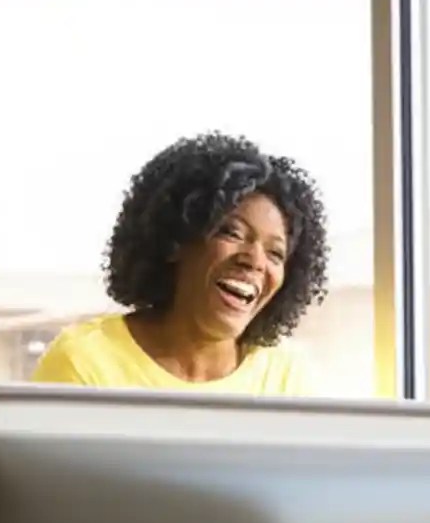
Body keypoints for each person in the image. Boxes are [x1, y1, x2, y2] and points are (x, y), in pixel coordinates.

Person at [32, 132, 329, 395]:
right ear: (177, 238)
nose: (255, 261)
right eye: (231, 232)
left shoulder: (288, 378)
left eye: (275, 253)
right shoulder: (84, 361)